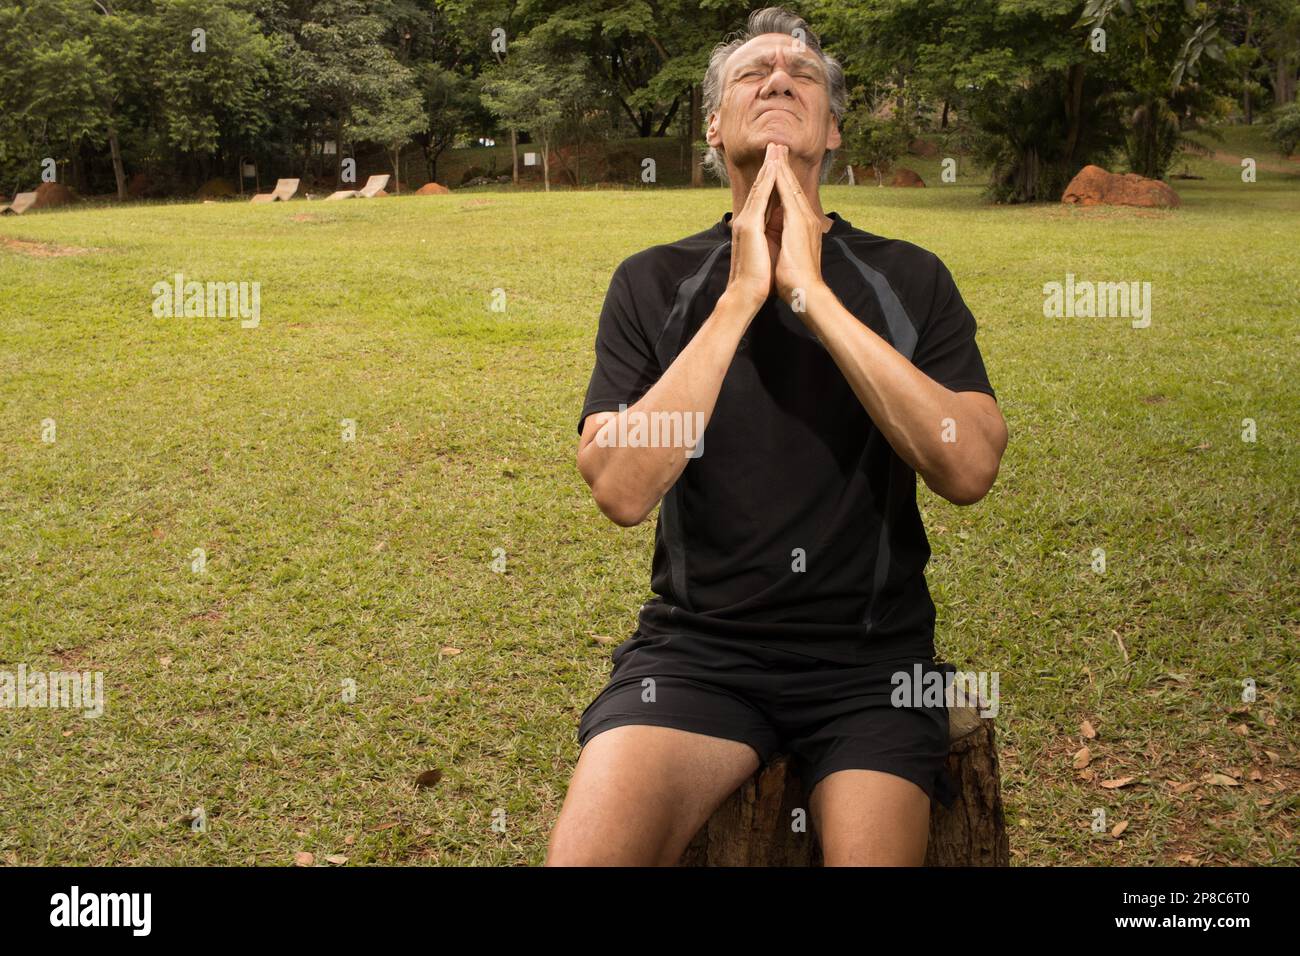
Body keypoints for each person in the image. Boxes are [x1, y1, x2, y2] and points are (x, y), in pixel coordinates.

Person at [546, 6, 1008, 866]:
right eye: (754, 72)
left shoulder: (908, 277)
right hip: (696, 654)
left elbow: (969, 463)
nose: (781, 78)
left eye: (803, 74)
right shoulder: (652, 283)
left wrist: (813, 294)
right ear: (714, 128)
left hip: (872, 663)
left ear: (831, 128)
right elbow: (619, 486)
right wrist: (740, 296)